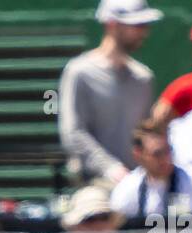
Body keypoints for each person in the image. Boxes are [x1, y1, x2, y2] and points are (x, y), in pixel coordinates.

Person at [58, 0, 161, 184]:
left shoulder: (144, 79)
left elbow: (145, 134)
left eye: (145, 25)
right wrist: (110, 169)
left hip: (139, 185)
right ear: (112, 24)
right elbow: (73, 133)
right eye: (137, 25)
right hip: (92, 184)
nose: (144, 32)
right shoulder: (79, 72)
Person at [110, 121, 192, 217]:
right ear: (138, 155)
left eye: (168, 151)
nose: (166, 159)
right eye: (157, 154)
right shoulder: (127, 190)